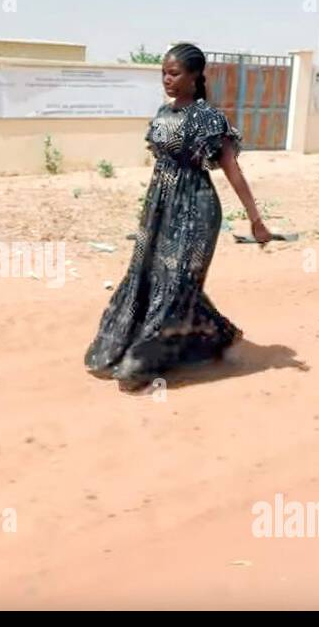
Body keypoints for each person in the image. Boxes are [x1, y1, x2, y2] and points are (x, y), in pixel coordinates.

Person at [84, 42, 272, 391]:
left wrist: (255, 218)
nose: (167, 80)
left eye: (174, 73)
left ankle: (144, 362)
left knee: (177, 285)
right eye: (163, 74)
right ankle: (217, 338)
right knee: (148, 277)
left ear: (196, 76)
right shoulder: (162, 113)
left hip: (197, 209)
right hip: (160, 208)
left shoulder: (209, 118)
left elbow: (232, 170)